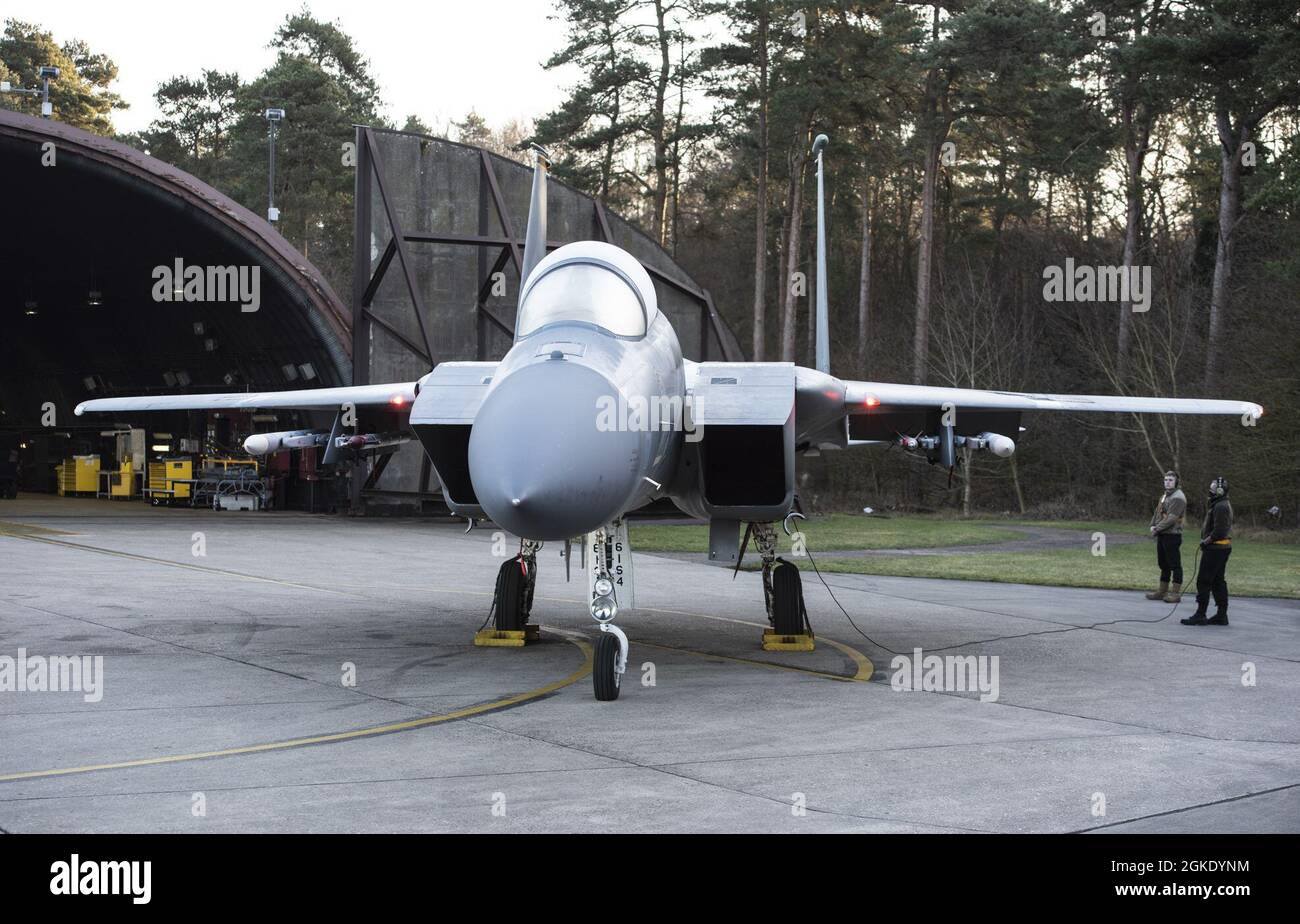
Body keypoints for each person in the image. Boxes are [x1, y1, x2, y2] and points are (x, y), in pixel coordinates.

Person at [1182, 476, 1233, 627]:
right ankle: (1221, 615)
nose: (1210, 491)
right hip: (1220, 548)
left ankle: (1200, 614)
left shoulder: (1221, 506)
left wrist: (1207, 541)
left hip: (1216, 549)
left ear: (1219, 491)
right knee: (1218, 581)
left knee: (1204, 581)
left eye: (1212, 489)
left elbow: (1220, 531)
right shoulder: (1220, 504)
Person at [1145, 470, 1186, 603]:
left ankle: (1175, 593)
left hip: (1172, 535)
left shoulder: (1178, 497)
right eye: (1166, 480)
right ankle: (1162, 591)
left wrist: (1157, 529)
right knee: (1163, 564)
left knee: (1175, 565)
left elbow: (1171, 518)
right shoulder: (1165, 495)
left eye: (1170, 480)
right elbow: (1158, 511)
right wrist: (1152, 524)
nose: (1167, 482)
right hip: (1163, 534)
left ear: (1176, 482)